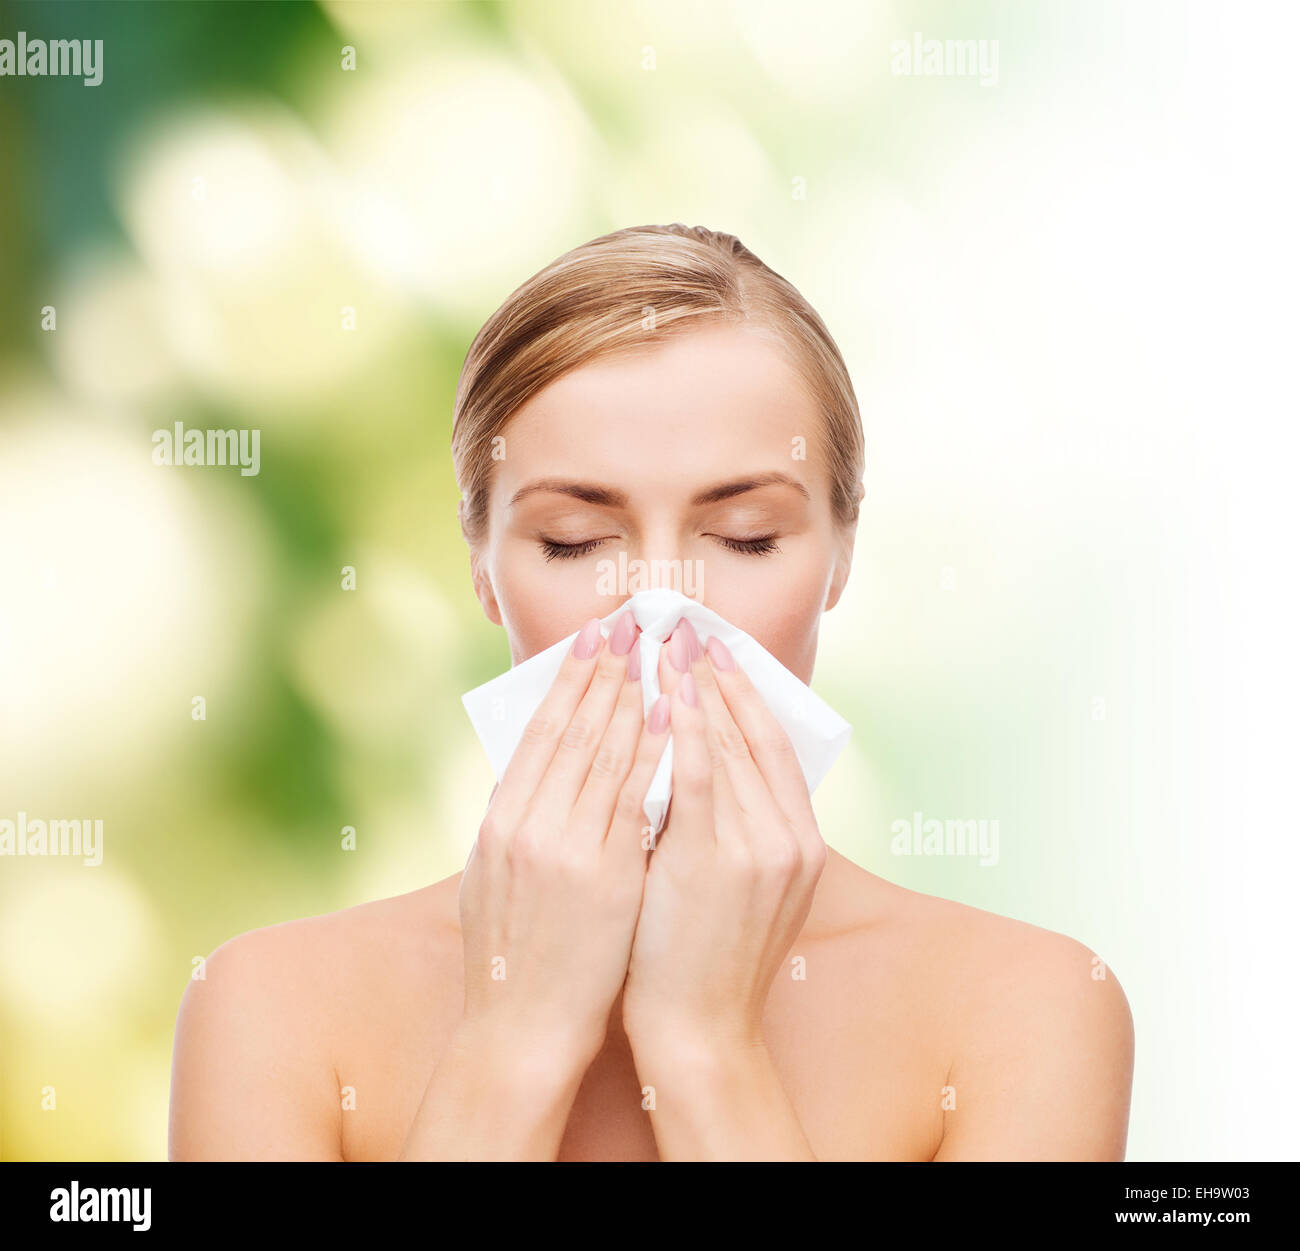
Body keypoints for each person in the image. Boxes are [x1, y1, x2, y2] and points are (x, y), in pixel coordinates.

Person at [169, 224, 1134, 1161]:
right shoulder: (271, 1011)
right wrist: (515, 1041)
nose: (661, 611)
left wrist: (705, 1047)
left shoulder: (1029, 1010)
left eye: (748, 536)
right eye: (575, 542)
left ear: (840, 556)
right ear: (482, 564)